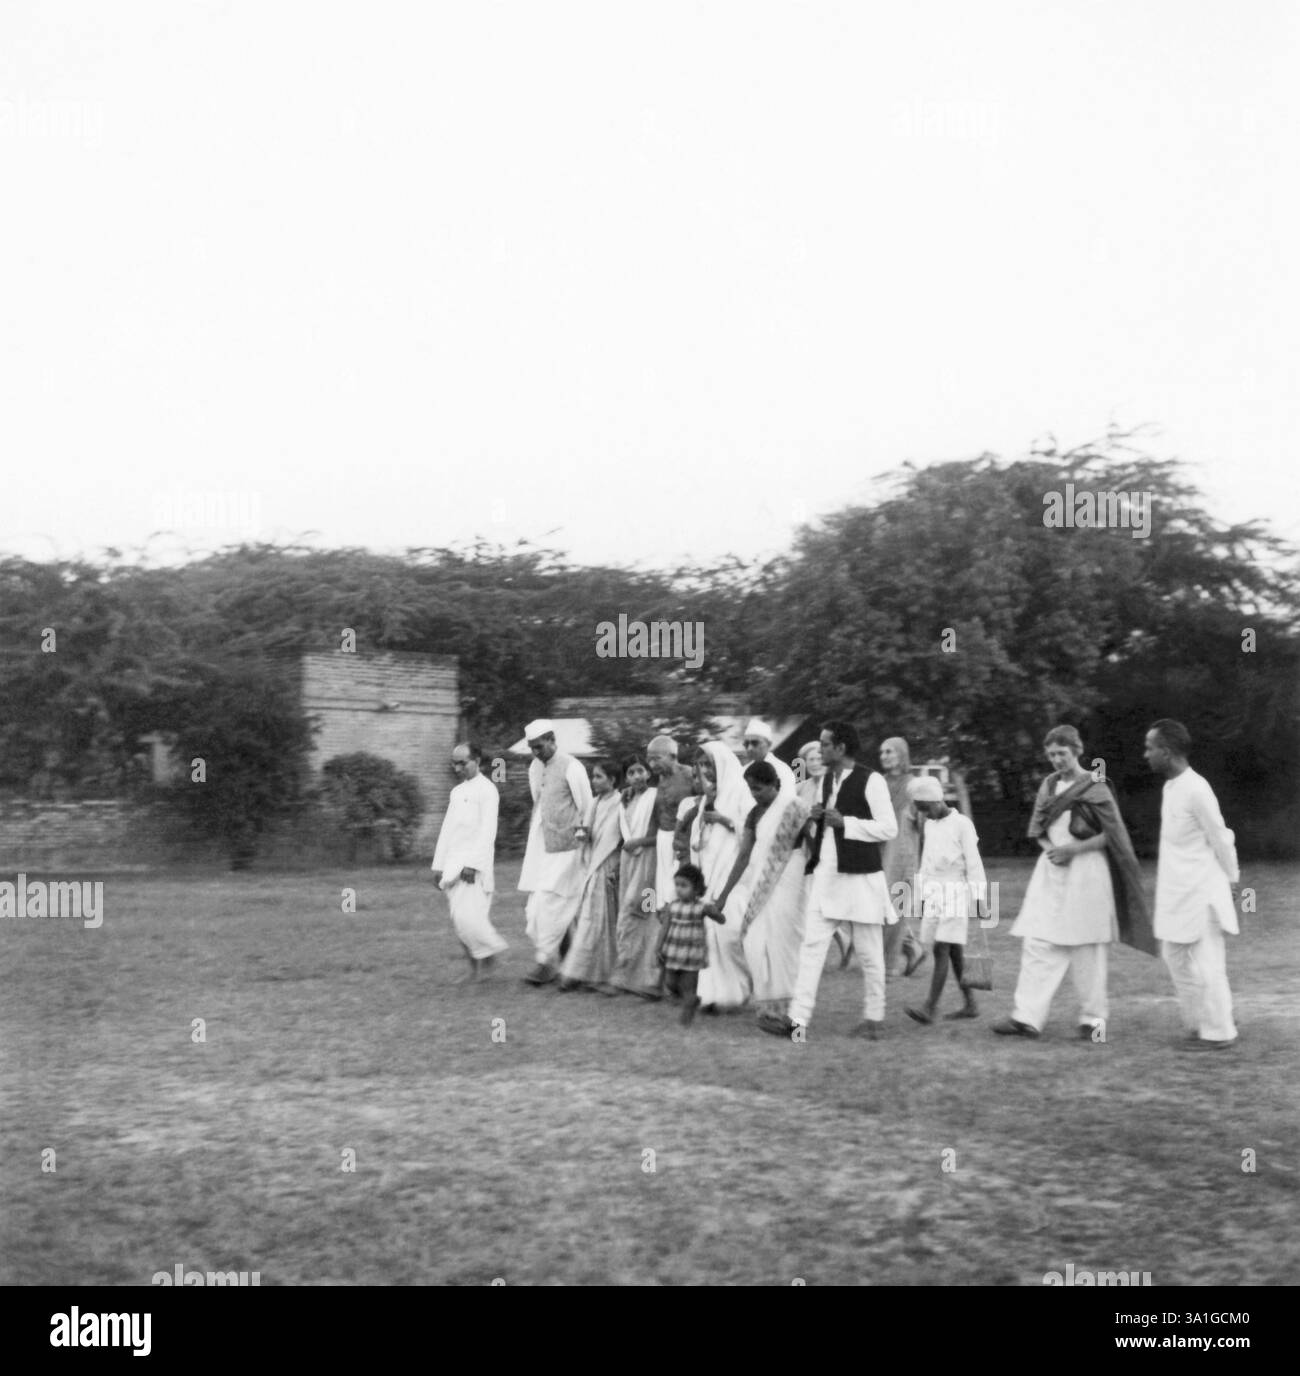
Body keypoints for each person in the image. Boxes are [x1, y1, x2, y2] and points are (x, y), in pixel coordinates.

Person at [993, 725, 1155, 1041]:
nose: (1056, 760)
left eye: (1062, 753)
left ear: (1077, 751)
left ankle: (1093, 1021)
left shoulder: (1096, 785)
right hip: (1052, 869)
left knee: (1087, 947)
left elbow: (1113, 835)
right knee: (1038, 941)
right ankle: (1026, 1018)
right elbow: (1038, 829)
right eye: (1051, 754)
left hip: (1087, 870)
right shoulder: (1048, 785)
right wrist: (1053, 851)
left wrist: (1073, 850)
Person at [760, 721, 898, 1041]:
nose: (819, 750)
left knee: (868, 952)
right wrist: (818, 818)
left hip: (861, 877)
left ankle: (874, 1019)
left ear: (841, 748)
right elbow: (824, 831)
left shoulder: (871, 780)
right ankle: (797, 1023)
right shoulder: (823, 783)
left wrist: (845, 823)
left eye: (824, 744)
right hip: (826, 876)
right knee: (810, 949)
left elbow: (889, 828)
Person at [1144, 719, 1241, 1051]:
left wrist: (1233, 881)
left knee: (1208, 963)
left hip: (1203, 894)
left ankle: (1220, 1032)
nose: (1146, 755)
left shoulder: (1198, 789)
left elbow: (1221, 838)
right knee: (1175, 956)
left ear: (1166, 752)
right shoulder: (1171, 787)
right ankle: (1201, 1022)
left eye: (1150, 748)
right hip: (1177, 895)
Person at [706, 759, 810, 1021]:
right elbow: (743, 857)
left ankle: (788, 1008)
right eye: (751, 789)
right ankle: (767, 1003)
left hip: (789, 881)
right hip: (760, 883)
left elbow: (813, 845)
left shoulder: (794, 808)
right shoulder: (754, 814)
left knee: (783, 943)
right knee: (754, 940)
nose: (755, 794)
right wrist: (723, 897)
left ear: (776, 784)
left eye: (760, 789)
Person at [903, 775, 987, 1024]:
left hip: (956, 892)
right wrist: (919, 897)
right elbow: (926, 863)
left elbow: (974, 862)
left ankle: (929, 1007)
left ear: (936, 801)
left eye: (925, 809)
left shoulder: (962, 824)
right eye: (920, 810)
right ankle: (971, 1003)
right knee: (954, 952)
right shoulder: (929, 825)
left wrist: (980, 897)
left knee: (941, 948)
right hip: (934, 893)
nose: (924, 815)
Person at [518, 720, 593, 986]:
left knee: (552, 905)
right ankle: (562, 966)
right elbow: (538, 803)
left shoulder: (573, 766)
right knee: (538, 907)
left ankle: (545, 963)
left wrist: (584, 839)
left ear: (552, 740)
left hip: (569, 847)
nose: (536, 753)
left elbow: (587, 806)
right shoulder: (535, 768)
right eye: (532, 749)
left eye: (539, 747)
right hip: (543, 847)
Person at [431, 743, 507, 982]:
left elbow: (487, 832)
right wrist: (439, 865)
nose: (457, 768)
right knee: (458, 920)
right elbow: (447, 830)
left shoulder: (488, 790)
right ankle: (473, 969)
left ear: (477, 761)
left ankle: (489, 955)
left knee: (471, 918)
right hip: (453, 861)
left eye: (463, 762)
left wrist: (473, 865)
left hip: (475, 864)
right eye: (454, 763)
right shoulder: (456, 792)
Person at [691, 741, 755, 1011]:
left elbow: (754, 829)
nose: (706, 769)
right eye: (702, 765)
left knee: (729, 932)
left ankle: (741, 989)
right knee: (709, 932)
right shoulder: (709, 794)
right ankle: (713, 994)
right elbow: (700, 829)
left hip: (735, 872)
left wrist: (724, 820)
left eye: (709, 763)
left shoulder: (742, 791)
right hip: (710, 868)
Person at [558, 759, 624, 991]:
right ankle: (586, 973)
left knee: (600, 922)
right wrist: (580, 834)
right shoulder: (594, 803)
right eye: (593, 776)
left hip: (608, 866)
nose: (594, 781)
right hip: (591, 865)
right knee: (589, 919)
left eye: (599, 776)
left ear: (613, 780)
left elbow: (622, 837)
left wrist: (616, 869)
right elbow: (584, 830)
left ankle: (579, 973)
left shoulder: (620, 803)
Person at [604, 753, 662, 998]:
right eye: (632, 772)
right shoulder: (625, 800)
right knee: (627, 912)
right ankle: (626, 976)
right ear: (626, 778)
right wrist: (617, 863)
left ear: (649, 772)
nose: (638, 776)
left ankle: (647, 978)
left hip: (650, 861)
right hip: (629, 862)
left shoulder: (656, 797)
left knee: (642, 911)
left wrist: (639, 841)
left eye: (641, 770)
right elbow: (622, 837)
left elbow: (661, 834)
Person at [880, 737, 927, 978]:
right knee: (879, 909)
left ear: (901, 754)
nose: (884, 756)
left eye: (890, 751)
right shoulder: (879, 783)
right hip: (878, 851)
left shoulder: (914, 786)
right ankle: (913, 948)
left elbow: (924, 823)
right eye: (882, 752)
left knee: (893, 910)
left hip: (902, 854)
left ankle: (888, 966)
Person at [656, 863, 724, 1026]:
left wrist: (716, 914)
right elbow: (665, 927)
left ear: (696, 889)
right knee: (670, 982)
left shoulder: (701, 907)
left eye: (684, 886)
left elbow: (721, 919)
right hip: (673, 950)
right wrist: (658, 947)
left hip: (692, 953)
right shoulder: (672, 906)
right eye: (677, 885)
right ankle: (690, 1000)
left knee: (689, 985)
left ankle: (687, 1012)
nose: (679, 889)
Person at [644, 736, 697, 908]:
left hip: (682, 841)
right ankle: (659, 917)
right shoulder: (660, 778)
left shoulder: (690, 775)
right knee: (660, 892)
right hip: (662, 840)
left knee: (677, 889)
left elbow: (702, 804)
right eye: (649, 759)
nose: (651, 765)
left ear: (673, 756)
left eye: (656, 759)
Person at [742, 718, 798, 795]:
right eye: (746, 744)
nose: (750, 748)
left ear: (769, 744)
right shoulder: (743, 771)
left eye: (755, 743)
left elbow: (787, 800)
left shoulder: (782, 770)